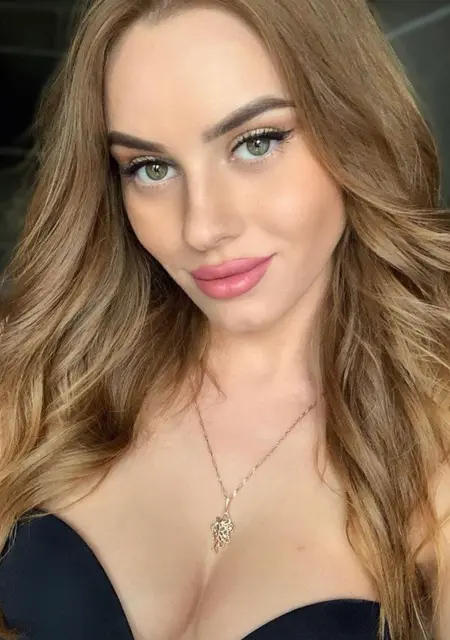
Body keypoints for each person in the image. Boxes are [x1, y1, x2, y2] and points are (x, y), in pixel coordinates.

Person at [0, 0, 449, 638]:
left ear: (353, 127)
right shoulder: (45, 385)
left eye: (255, 143)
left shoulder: (436, 444)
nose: (202, 227)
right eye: (151, 168)